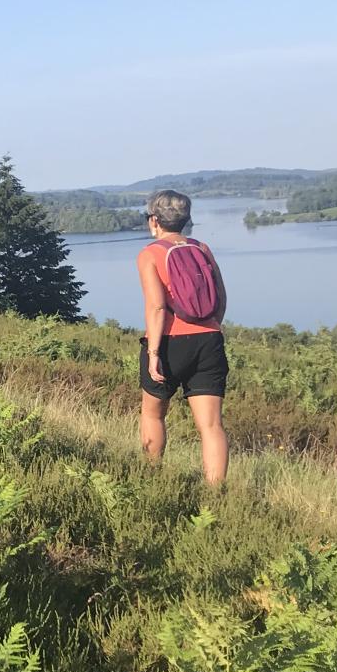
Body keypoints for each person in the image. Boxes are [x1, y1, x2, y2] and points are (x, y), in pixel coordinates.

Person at [135, 190, 229, 487]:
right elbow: (221, 298)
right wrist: (212, 328)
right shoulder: (202, 248)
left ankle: (152, 480)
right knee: (211, 425)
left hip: (169, 342)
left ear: (154, 220)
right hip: (209, 339)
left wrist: (153, 354)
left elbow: (157, 307)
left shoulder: (150, 254)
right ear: (185, 219)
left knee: (153, 415)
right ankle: (216, 493)